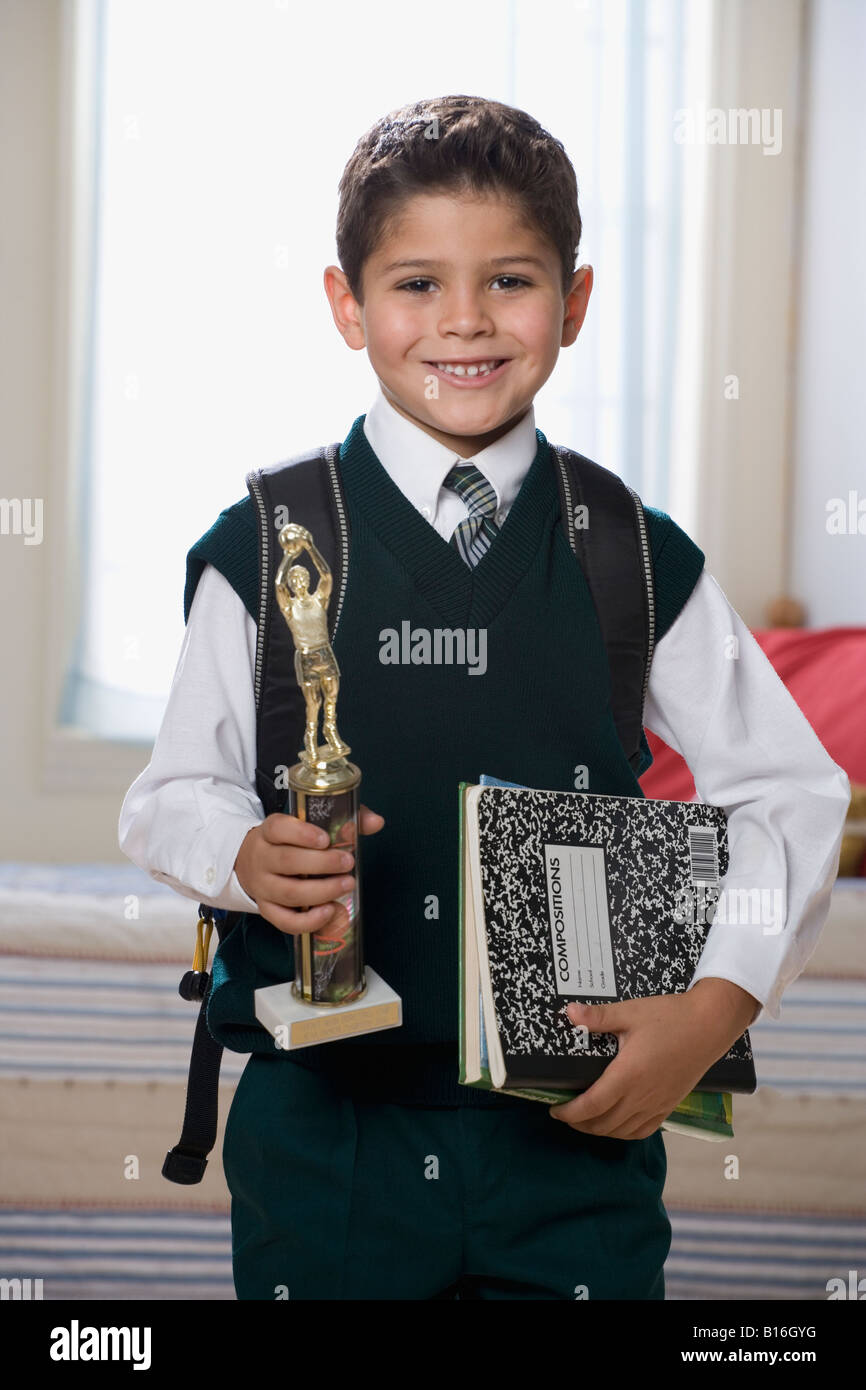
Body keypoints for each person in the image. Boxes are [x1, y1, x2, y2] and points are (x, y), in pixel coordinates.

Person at [118, 94, 851, 1300]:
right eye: (414, 285)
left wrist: (710, 1009)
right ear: (345, 306)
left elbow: (791, 791)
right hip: (324, 1144)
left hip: (576, 1143)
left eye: (508, 280)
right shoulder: (266, 541)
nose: (462, 321)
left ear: (573, 301)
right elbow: (168, 795)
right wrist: (241, 851)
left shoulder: (631, 551)